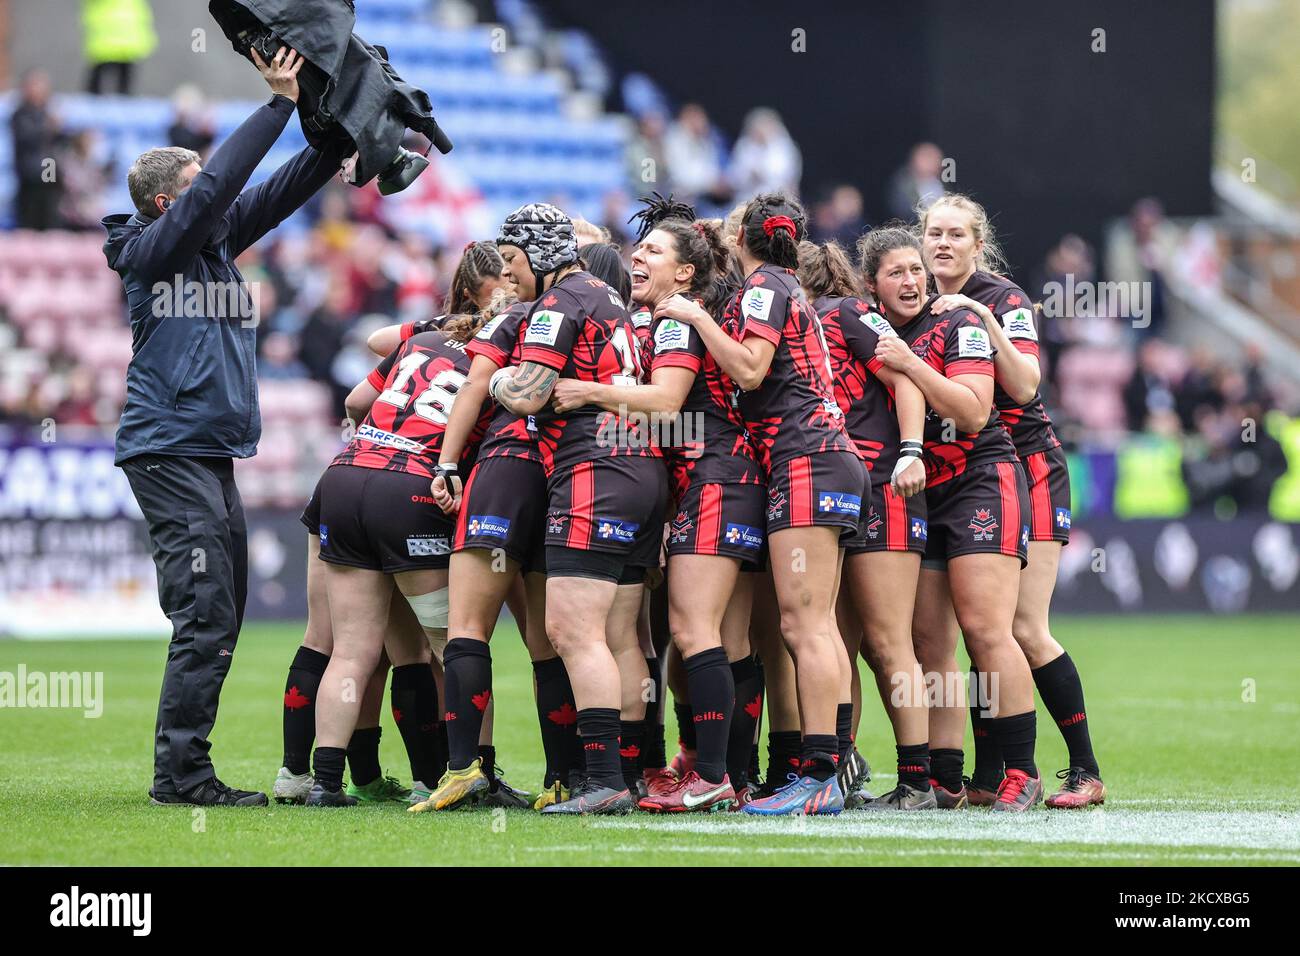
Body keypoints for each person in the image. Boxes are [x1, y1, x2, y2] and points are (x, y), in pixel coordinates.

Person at [103, 47, 347, 807]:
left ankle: (187, 768)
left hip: (205, 452)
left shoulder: (207, 242)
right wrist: (273, 106)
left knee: (223, 609)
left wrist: (335, 127)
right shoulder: (154, 252)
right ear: (165, 205)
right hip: (167, 449)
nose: (213, 199)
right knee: (205, 611)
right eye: (195, 192)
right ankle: (181, 777)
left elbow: (282, 186)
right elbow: (224, 183)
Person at [433, 203, 667, 816]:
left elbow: (530, 392)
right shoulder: (611, 297)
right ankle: (628, 772)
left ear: (538, 255)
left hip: (595, 468)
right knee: (620, 635)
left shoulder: (558, 303)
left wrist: (501, 373)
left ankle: (600, 780)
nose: (510, 282)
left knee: (569, 630)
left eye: (515, 267)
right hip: (641, 465)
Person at [553, 195, 761, 811]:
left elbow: (668, 405)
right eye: (635, 250)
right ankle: (699, 770)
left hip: (715, 480)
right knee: (684, 636)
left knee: (698, 632)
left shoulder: (676, 319)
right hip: (693, 484)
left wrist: (583, 391)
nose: (636, 257)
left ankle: (719, 773)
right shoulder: (656, 320)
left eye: (652, 252)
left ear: (685, 272)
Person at [664, 193, 863, 815]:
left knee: (804, 625)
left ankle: (822, 771)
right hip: (817, 455)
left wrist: (695, 319)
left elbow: (751, 369)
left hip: (806, 456)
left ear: (747, 237)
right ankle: (825, 766)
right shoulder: (783, 283)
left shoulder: (764, 286)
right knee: (814, 624)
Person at [919, 194, 1104, 809]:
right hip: (960, 472)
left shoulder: (1003, 299)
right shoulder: (911, 303)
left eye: (956, 235)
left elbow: (1025, 384)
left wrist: (977, 314)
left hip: (1026, 464)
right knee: (981, 631)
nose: (942, 244)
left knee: (1020, 627)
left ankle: (1083, 769)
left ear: (979, 245)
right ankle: (990, 772)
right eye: (933, 233)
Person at [870, 218, 1042, 812]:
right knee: (930, 642)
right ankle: (944, 774)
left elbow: (973, 411)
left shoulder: (959, 321)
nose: (914, 278)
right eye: (899, 272)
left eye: (918, 269)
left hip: (979, 483)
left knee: (987, 629)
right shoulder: (878, 331)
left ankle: (1022, 770)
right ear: (875, 286)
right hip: (924, 493)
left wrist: (912, 366)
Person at [304, 309, 495, 805]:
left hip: (345, 475)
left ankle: (324, 783)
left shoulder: (423, 340)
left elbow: (355, 401)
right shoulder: (495, 361)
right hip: (410, 488)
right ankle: (471, 774)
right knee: (455, 646)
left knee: (350, 651)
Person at [799, 237, 934, 810]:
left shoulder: (843, 313)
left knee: (887, 640)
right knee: (841, 641)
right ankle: (842, 768)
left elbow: (905, 380)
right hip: (841, 490)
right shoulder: (806, 326)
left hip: (884, 485)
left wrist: (910, 450)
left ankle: (919, 781)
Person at [10, 70, 62, 230]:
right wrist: (48, 126)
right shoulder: (20, 114)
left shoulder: (47, 112)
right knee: (30, 219)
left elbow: (57, 142)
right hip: (30, 174)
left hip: (50, 170)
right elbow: (26, 137)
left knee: (50, 212)